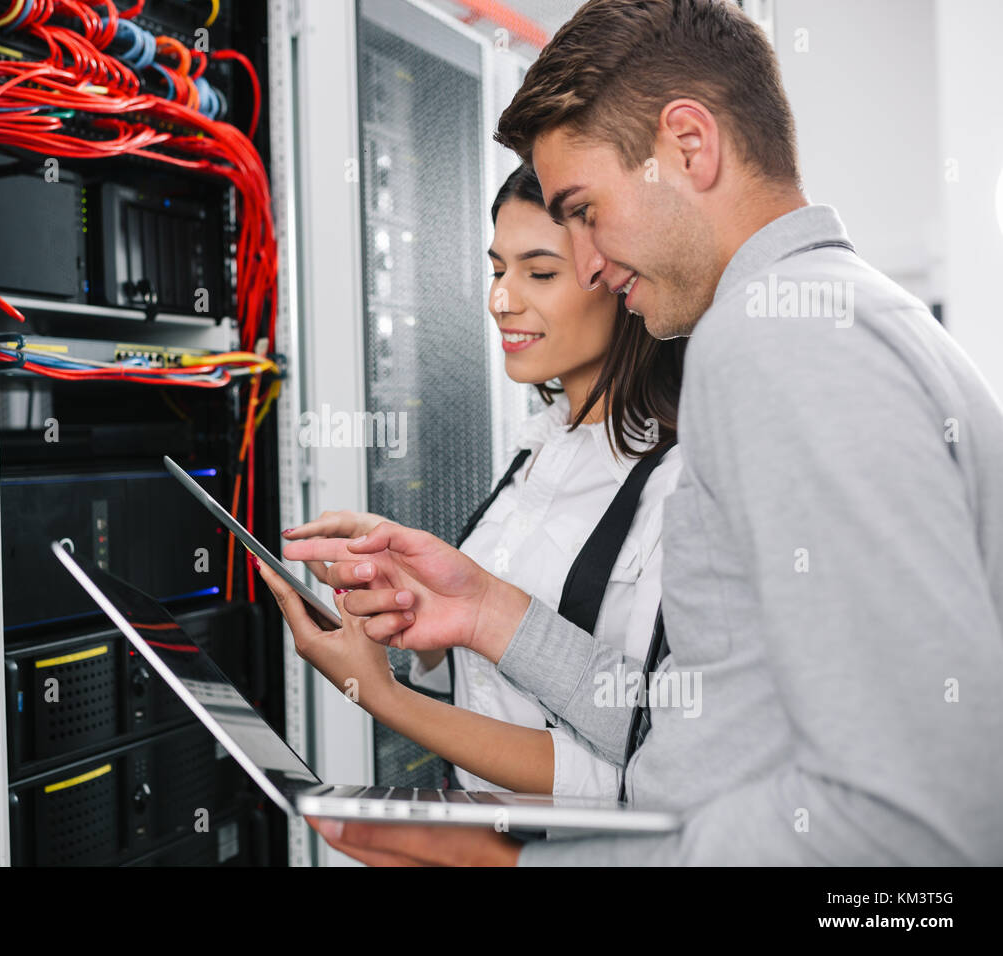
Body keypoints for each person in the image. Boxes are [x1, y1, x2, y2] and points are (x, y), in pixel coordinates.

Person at [265, 0, 1003, 865]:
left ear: (689, 145)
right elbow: (690, 719)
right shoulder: (841, 317)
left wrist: (517, 865)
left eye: (583, 210)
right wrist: (481, 608)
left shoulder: (777, 342)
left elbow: (911, 828)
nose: (585, 266)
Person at [260, 163, 683, 797]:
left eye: (539, 272)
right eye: (497, 269)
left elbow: (637, 756)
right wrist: (409, 591)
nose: (501, 299)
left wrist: (386, 698)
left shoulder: (676, 485)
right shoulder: (538, 449)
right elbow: (487, 687)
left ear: (619, 277)